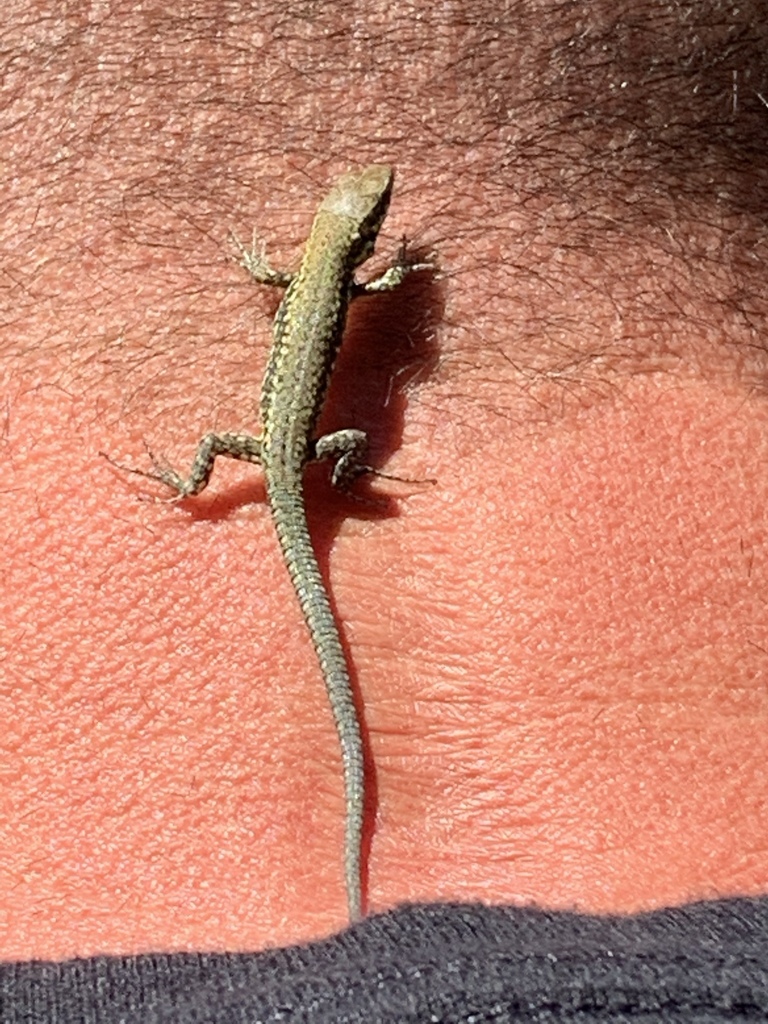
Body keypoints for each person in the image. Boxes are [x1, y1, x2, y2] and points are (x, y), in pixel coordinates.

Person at [2, 0, 767, 1017]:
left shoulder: (322, 270)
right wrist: (399, 290)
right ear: (357, 235)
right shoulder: (358, 276)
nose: (375, 220)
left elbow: (289, 286)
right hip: (300, 452)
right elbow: (341, 290)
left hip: (272, 449)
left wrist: (291, 277)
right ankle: (312, 480)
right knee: (321, 478)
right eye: (372, 219)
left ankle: (192, 484)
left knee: (254, 465)